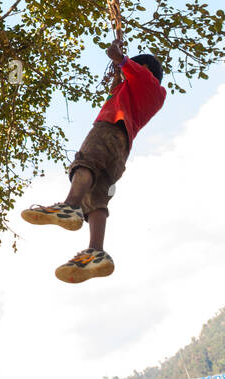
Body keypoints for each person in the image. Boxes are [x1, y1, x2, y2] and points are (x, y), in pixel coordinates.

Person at [21, 40, 166, 283]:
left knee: (86, 164)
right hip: (122, 148)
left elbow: (135, 72)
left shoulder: (150, 85)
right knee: (98, 195)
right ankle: (96, 251)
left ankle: (70, 205)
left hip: (109, 130)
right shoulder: (137, 93)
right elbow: (118, 89)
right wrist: (118, 74)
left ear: (145, 70)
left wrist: (121, 59)